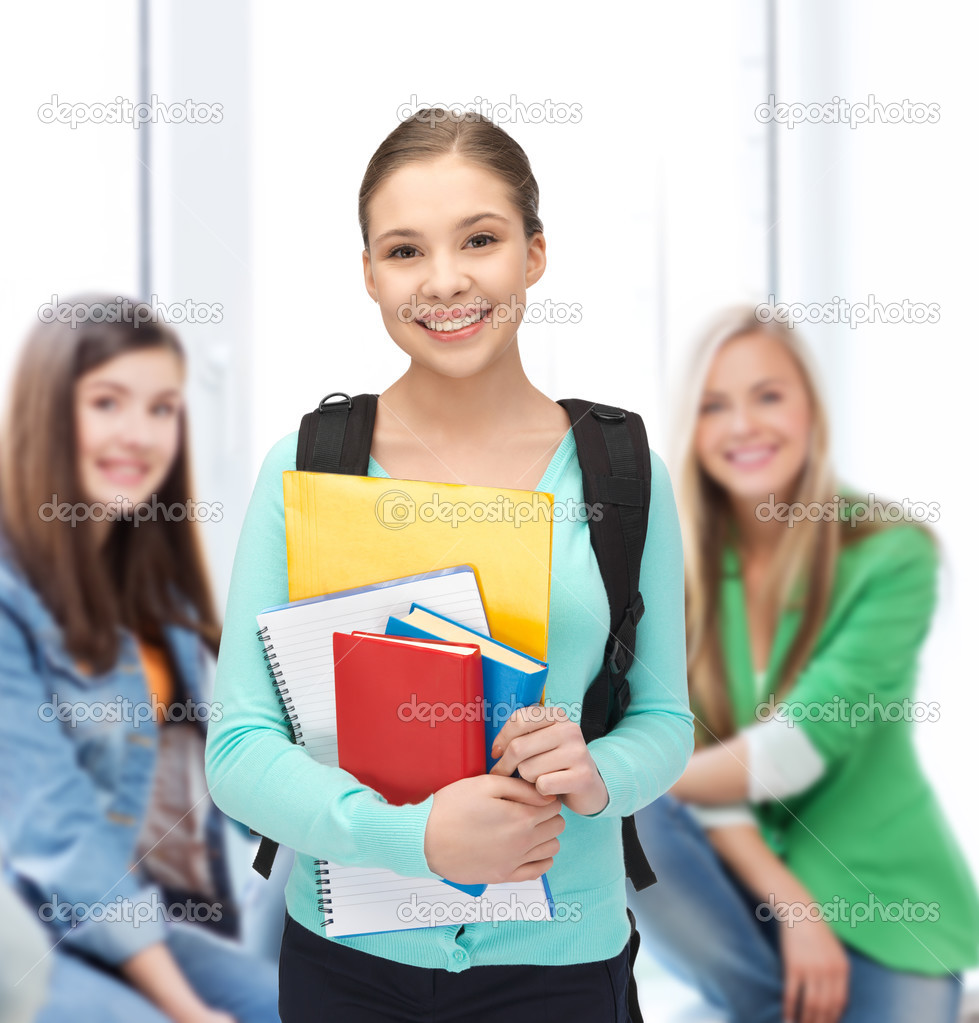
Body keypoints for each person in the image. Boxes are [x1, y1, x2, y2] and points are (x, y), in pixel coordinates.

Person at [203, 107, 695, 1023]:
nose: (444, 281)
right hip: (346, 964)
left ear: (534, 253)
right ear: (367, 273)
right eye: (403, 250)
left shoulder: (622, 475)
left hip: (560, 963)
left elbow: (664, 717)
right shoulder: (306, 466)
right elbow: (237, 747)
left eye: (479, 238)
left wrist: (597, 771)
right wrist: (412, 835)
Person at [627, 305, 979, 1023]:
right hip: (737, 895)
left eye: (767, 395)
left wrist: (635, 774)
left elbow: (794, 748)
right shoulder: (675, 571)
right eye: (713, 405)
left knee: (633, 776)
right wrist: (790, 904)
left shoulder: (889, 551)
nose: (742, 425)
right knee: (631, 799)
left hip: (881, 904)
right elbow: (690, 763)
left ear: (810, 407)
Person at [0, 297, 279, 1023]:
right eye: (106, 402)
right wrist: (183, 1007)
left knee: (294, 1006)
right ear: (45, 411)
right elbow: (55, 827)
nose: (139, 433)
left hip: (105, 920)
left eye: (162, 408)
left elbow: (238, 779)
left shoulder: (151, 600)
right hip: (18, 928)